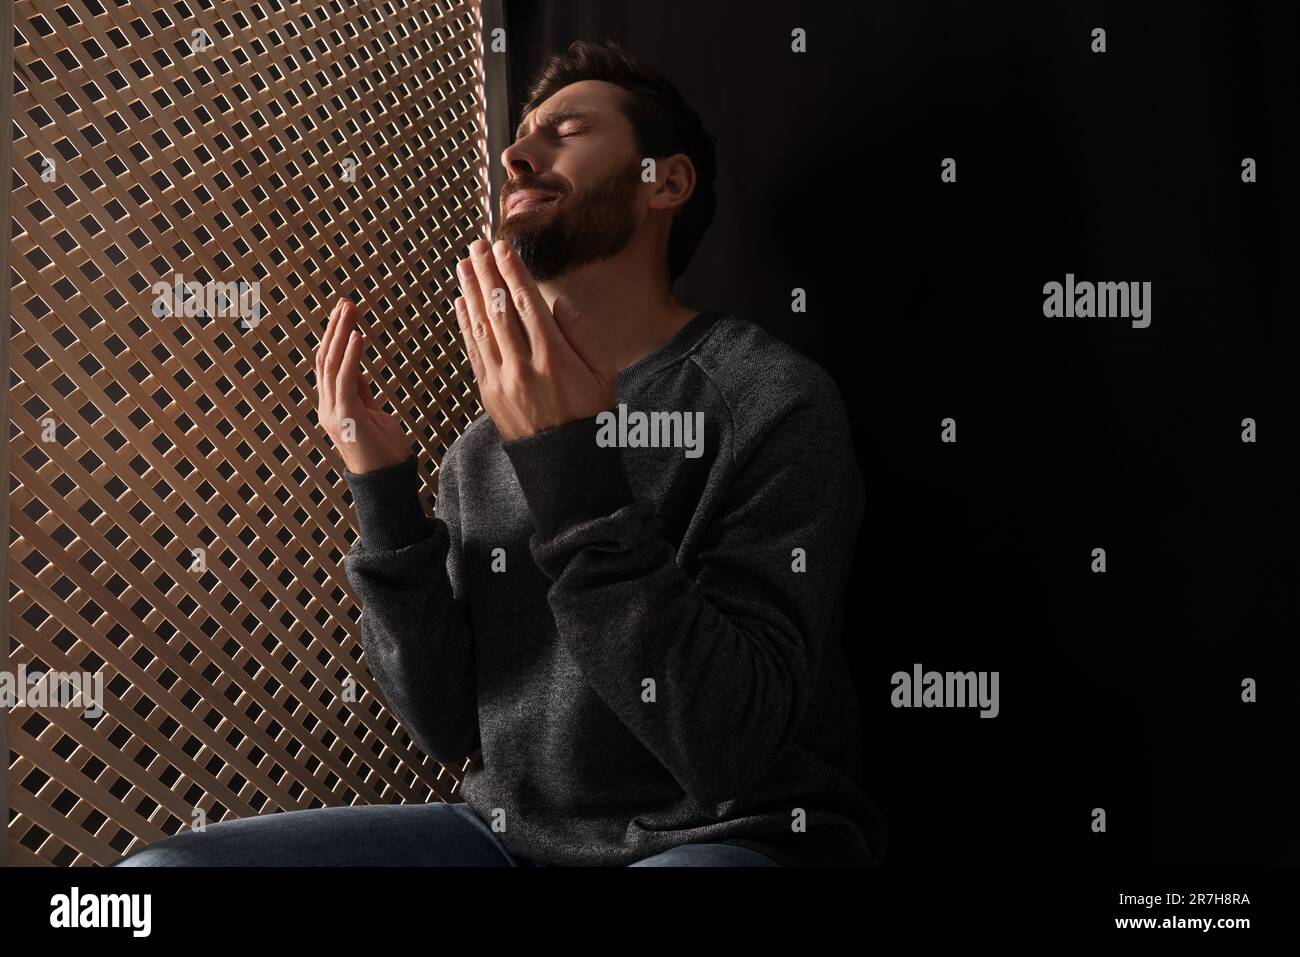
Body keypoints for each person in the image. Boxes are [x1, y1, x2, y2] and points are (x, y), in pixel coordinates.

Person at [116, 38, 886, 868]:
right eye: (521, 136)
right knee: (168, 876)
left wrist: (570, 466)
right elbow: (449, 724)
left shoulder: (768, 399)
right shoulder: (482, 448)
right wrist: (383, 496)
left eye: (566, 131)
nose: (517, 154)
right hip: (509, 841)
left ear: (664, 179)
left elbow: (728, 746)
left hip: (729, 837)